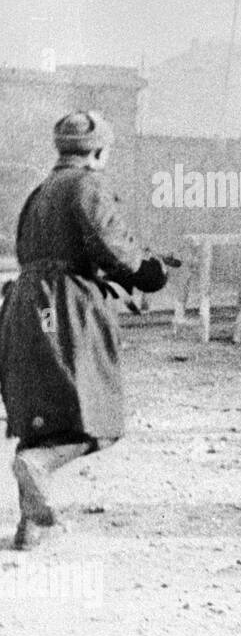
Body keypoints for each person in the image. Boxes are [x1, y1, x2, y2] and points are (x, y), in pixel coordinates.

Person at [0, 111, 169, 550]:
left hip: (25, 307)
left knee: (43, 415)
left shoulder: (39, 192)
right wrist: (150, 270)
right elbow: (113, 248)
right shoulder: (87, 185)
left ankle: (31, 528)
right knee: (97, 417)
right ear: (97, 151)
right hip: (66, 306)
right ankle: (36, 466)